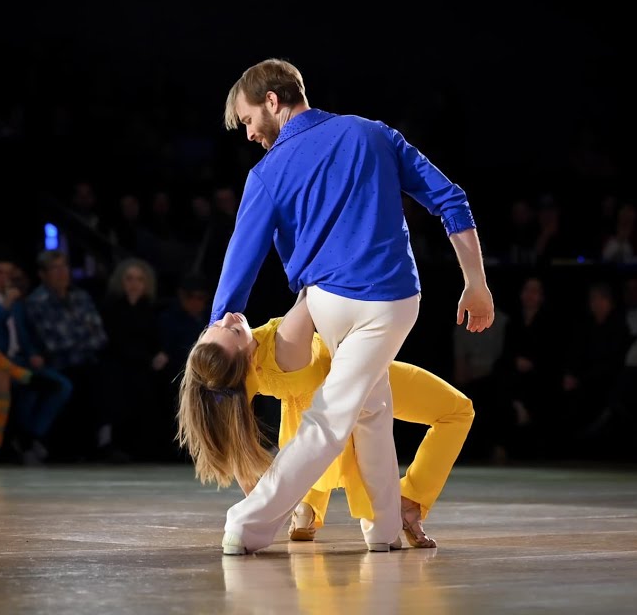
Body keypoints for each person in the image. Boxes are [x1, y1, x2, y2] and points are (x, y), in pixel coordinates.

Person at [211, 58, 494, 554]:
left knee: (349, 414)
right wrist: (476, 282)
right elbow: (450, 199)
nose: (250, 134)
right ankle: (378, 530)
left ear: (272, 101)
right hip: (390, 303)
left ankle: (252, 525)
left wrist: (215, 331)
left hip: (326, 304)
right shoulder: (373, 133)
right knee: (360, 411)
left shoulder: (266, 173)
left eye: (249, 120)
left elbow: (241, 261)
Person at [177, 298, 474, 548]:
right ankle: (406, 502)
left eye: (216, 326)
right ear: (248, 358)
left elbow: (236, 439)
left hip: (319, 399)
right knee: (456, 412)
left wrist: (259, 505)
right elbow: (312, 292)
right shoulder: (284, 342)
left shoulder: (234, 378)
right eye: (233, 330)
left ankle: (308, 506)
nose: (227, 316)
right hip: (356, 374)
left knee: (317, 438)